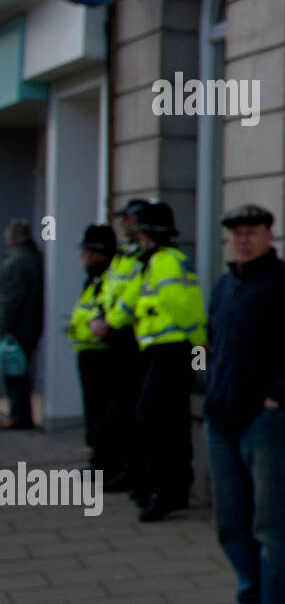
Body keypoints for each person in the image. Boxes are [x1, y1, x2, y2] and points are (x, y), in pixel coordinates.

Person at [203, 204, 285, 604]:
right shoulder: (225, 286)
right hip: (221, 419)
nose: (243, 240)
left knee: (270, 522)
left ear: (269, 236)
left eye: (251, 232)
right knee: (231, 522)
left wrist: (277, 396)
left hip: (265, 420)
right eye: (236, 233)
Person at [130, 202, 206, 522]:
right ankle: (164, 490)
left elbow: (180, 304)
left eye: (142, 232)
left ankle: (167, 492)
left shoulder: (164, 261)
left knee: (159, 423)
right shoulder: (159, 260)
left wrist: (198, 342)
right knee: (165, 423)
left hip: (171, 351)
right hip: (165, 352)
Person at [92, 199, 148, 501]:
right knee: (114, 409)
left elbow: (133, 294)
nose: (123, 224)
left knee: (128, 410)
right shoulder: (124, 254)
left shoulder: (144, 255)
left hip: (130, 338)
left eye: (126, 218)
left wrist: (109, 322)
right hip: (115, 337)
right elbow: (111, 289)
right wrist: (101, 316)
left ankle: (130, 471)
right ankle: (120, 468)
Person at [68, 224, 125, 485]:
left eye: (86, 251)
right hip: (90, 352)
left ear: (97, 253)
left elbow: (106, 314)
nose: (82, 256)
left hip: (102, 354)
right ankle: (99, 463)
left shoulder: (106, 278)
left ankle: (108, 466)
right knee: (95, 414)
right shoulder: (93, 279)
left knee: (104, 415)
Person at [0, 219, 44, 430]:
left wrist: (4, 326)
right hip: (31, 325)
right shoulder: (36, 257)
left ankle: (18, 415)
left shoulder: (15, 262)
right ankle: (21, 414)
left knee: (14, 372)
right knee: (23, 371)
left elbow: (10, 298)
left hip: (17, 328)